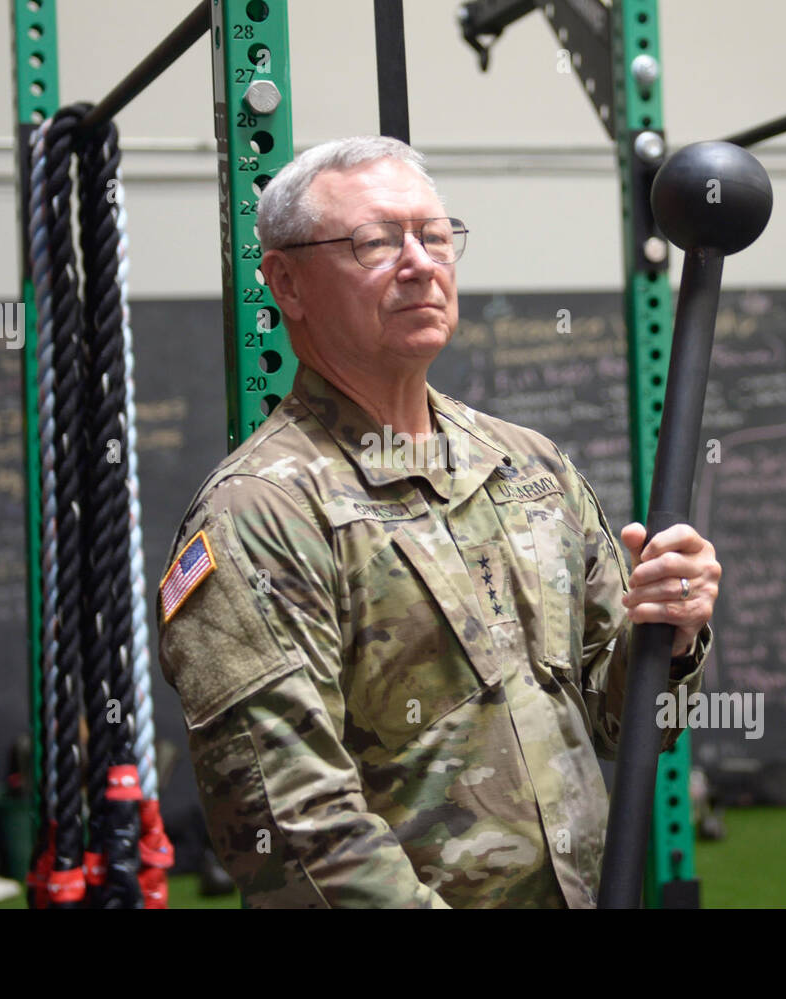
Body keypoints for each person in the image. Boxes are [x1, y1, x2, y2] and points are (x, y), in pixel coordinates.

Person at [157, 135, 721, 908]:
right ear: (286, 282)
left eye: (433, 234)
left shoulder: (530, 467)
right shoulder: (262, 512)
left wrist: (668, 633)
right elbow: (291, 830)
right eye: (376, 242)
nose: (419, 262)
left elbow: (629, 727)